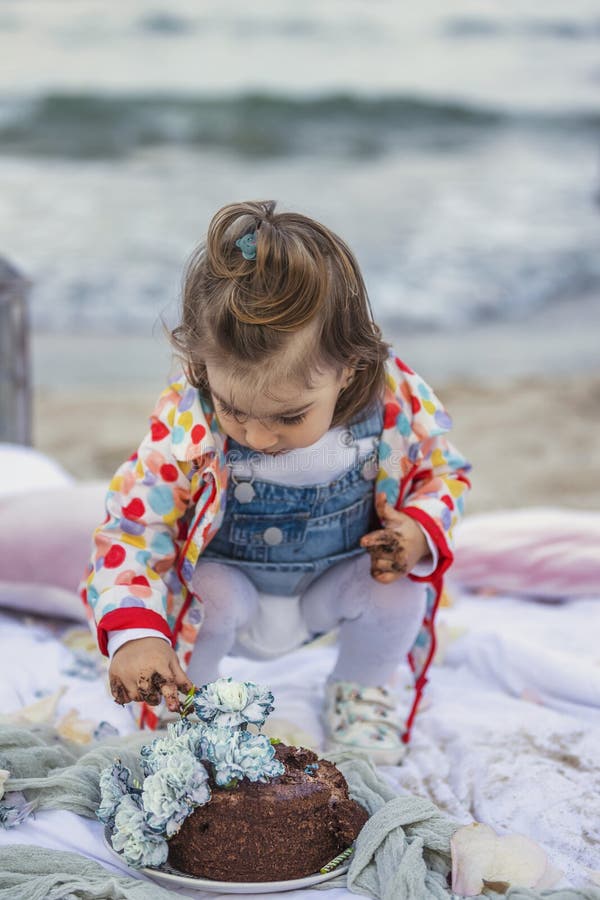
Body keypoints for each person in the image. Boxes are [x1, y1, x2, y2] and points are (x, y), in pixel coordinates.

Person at [80, 199, 471, 764]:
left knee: (398, 586)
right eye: (234, 408)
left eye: (289, 416)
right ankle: (191, 708)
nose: (258, 437)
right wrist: (136, 634)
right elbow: (133, 529)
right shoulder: (190, 421)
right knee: (209, 594)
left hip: (332, 587)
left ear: (350, 369)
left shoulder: (394, 404)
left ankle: (359, 691)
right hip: (227, 595)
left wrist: (416, 527)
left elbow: (445, 473)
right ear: (200, 366)